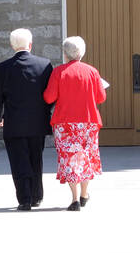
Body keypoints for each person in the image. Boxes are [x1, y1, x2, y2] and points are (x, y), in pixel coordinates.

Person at [0, 28, 54, 210]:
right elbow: (50, 95)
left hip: (14, 123)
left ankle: (24, 199)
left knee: (19, 162)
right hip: (37, 123)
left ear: (12, 45)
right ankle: (37, 196)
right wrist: (45, 111)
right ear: (30, 44)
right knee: (36, 159)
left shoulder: (2, 68)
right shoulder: (45, 65)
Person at [42, 36, 106, 211]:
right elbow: (101, 97)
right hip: (88, 121)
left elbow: (49, 97)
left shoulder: (59, 72)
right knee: (86, 156)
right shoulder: (92, 71)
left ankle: (75, 199)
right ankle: (85, 193)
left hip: (65, 122)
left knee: (69, 158)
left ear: (65, 54)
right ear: (82, 52)